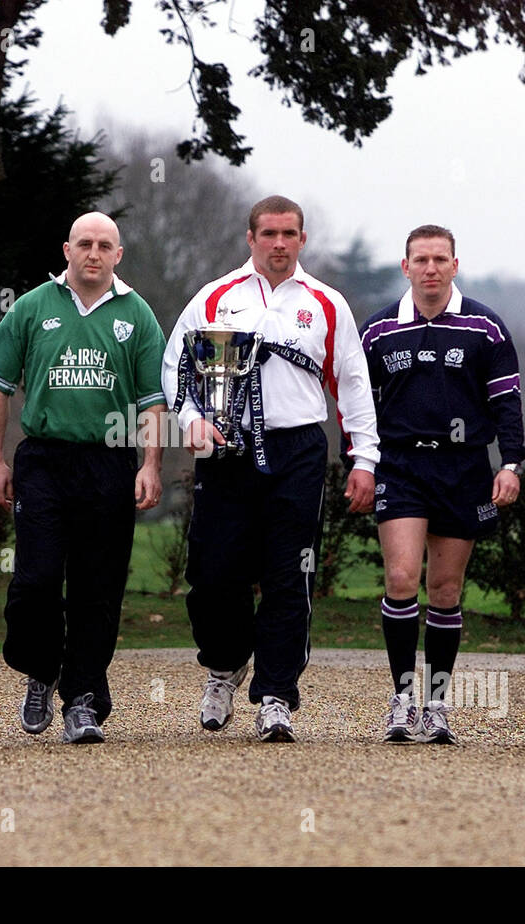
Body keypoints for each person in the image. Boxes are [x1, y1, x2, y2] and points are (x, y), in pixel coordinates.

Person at [162, 195, 379, 742]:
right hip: (225, 450)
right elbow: (175, 364)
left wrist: (365, 460)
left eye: (289, 234)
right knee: (213, 573)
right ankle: (226, 663)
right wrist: (188, 419)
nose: (279, 244)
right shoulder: (215, 297)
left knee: (289, 574)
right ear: (251, 237)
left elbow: (352, 384)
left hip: (298, 451)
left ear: (302, 240)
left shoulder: (327, 304)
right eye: (269, 234)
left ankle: (277, 694)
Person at [0, 211, 165, 744]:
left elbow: (152, 402)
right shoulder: (33, 307)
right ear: (67, 250)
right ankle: (41, 667)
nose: (94, 253)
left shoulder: (138, 315)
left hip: (108, 462)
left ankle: (82, 698)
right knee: (35, 580)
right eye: (85, 243)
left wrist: (150, 464)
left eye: (105, 245)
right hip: (44, 460)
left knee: (97, 588)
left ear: (118, 255)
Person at [359, 225, 525, 744]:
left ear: (456, 265)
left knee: (446, 590)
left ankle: (436, 704)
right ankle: (401, 700)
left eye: (440, 260)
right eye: (421, 260)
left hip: (465, 469)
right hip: (402, 466)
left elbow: (506, 403)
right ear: (405, 266)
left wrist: (511, 464)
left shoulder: (485, 328)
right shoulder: (379, 331)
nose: (430, 269)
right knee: (403, 578)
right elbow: (359, 407)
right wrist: (360, 459)